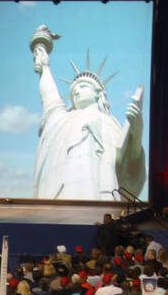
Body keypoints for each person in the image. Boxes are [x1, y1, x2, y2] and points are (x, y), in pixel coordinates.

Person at [29, 24, 145, 201]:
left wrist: (136, 130)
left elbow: (128, 164)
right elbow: (49, 95)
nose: (76, 91)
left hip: (100, 195)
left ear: (98, 93)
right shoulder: (62, 117)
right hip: (61, 195)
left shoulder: (109, 121)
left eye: (82, 86)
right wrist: (41, 54)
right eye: (74, 89)